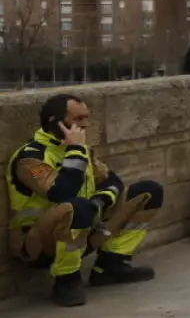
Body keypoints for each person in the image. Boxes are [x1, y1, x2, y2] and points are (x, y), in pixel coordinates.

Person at [8, 93, 162, 307]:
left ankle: (111, 264)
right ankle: (66, 279)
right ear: (55, 122)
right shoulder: (31, 158)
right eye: (78, 120)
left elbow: (113, 181)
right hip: (39, 243)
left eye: (87, 118)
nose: (86, 125)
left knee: (148, 192)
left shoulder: (81, 149)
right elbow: (61, 192)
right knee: (77, 206)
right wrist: (74, 150)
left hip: (85, 225)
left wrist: (100, 200)